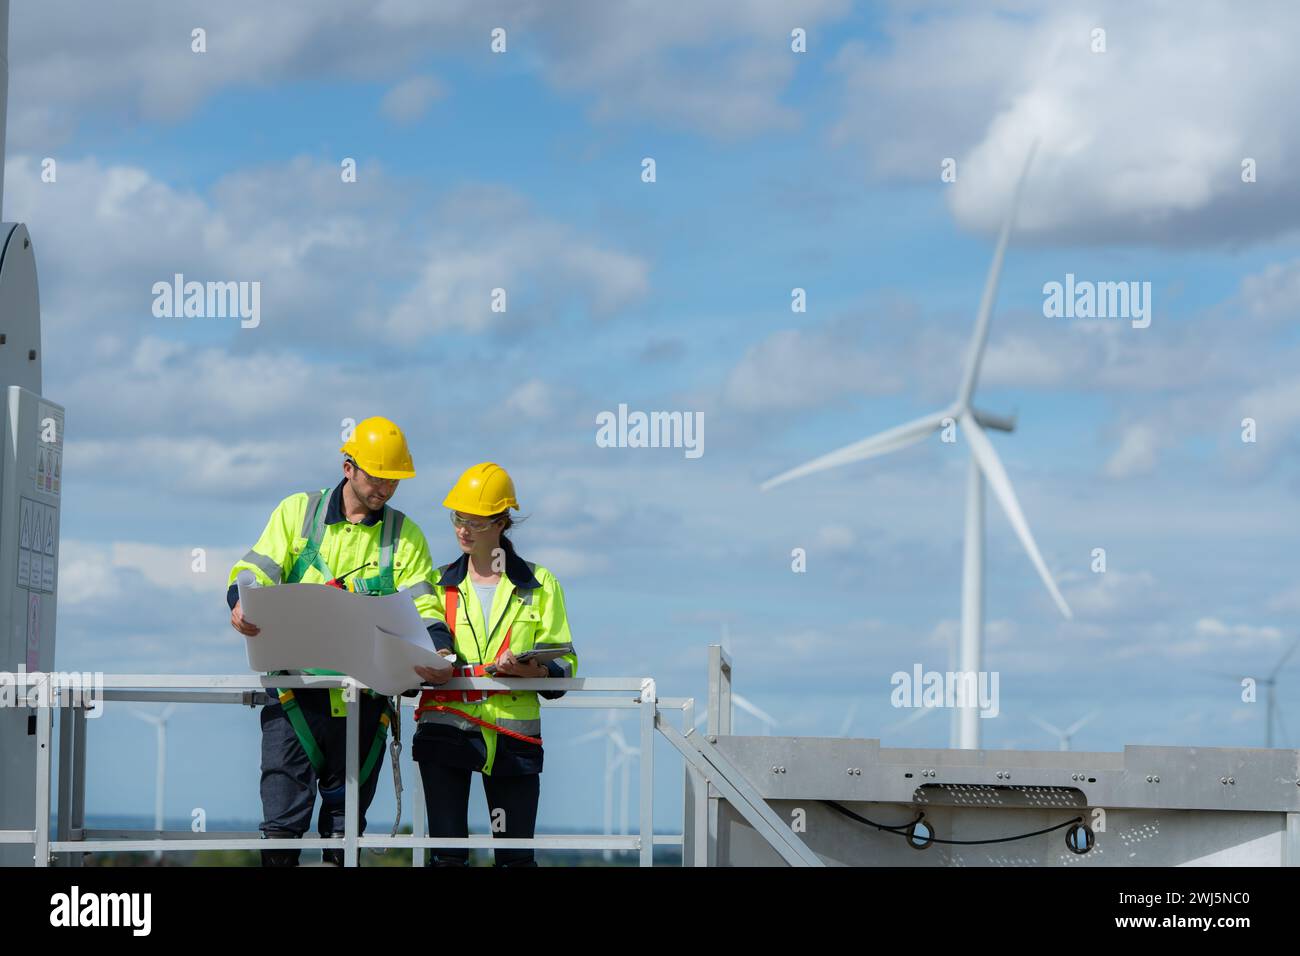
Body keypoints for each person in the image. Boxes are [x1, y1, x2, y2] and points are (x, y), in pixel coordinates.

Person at [227, 416, 449, 866]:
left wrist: (438, 650)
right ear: (348, 467)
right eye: (376, 477)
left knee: (345, 832)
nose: (385, 489)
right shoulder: (297, 513)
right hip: (294, 698)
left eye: (394, 481)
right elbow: (254, 570)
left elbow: (426, 606)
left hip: (364, 703)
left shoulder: (405, 536)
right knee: (281, 829)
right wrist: (240, 600)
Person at [412, 462, 577, 866]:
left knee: (514, 858)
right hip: (446, 732)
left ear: (502, 521)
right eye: (458, 519)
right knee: (447, 858)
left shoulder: (541, 585)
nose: (463, 529)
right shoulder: (434, 585)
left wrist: (534, 671)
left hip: (512, 740)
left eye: (475, 521)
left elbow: (564, 668)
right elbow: (418, 648)